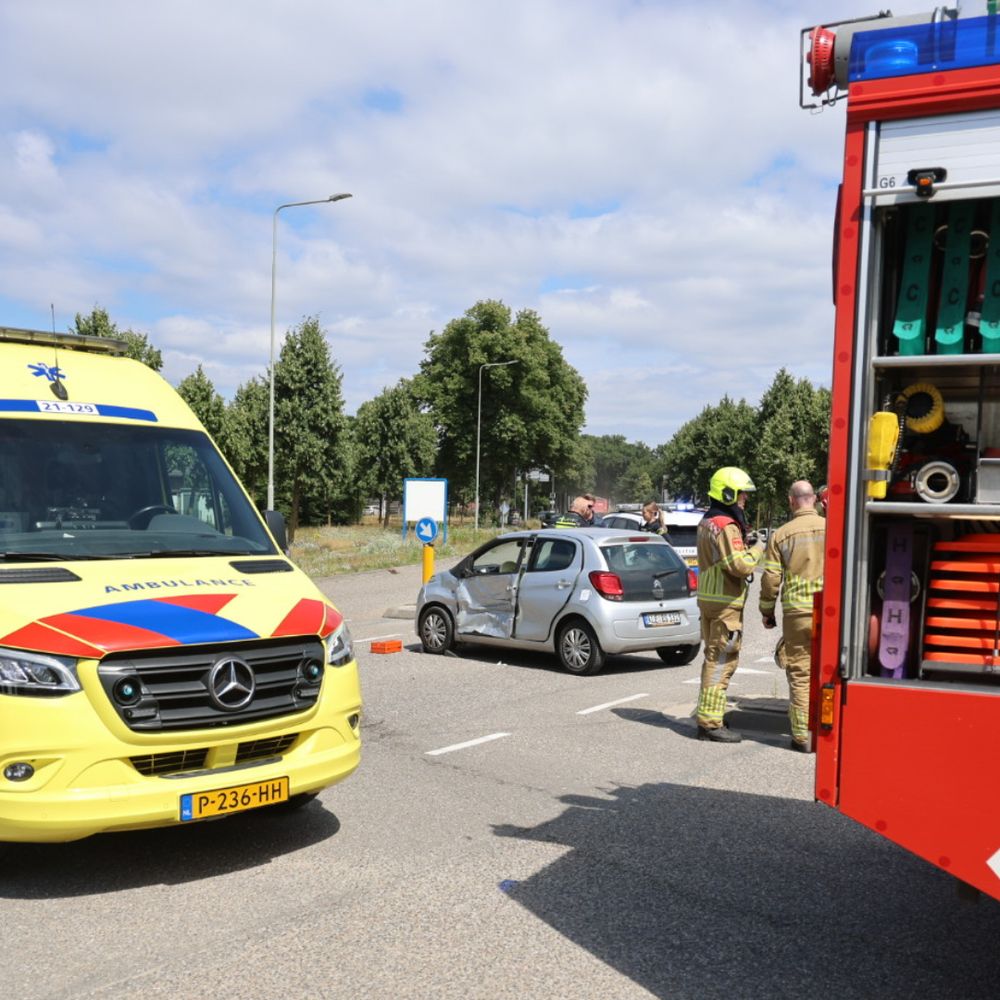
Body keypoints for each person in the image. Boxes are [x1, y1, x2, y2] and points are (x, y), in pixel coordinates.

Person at [695, 466, 764, 743]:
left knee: (712, 658)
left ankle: (708, 716)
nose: (745, 499)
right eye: (741, 494)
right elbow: (740, 566)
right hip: (725, 604)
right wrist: (757, 548)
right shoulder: (727, 525)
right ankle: (710, 723)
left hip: (709, 600)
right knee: (722, 661)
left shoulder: (707, 521)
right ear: (727, 494)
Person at [759, 480, 826, 752]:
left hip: (797, 612)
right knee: (829, 670)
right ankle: (828, 731)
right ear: (815, 500)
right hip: (830, 611)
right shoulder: (833, 528)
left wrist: (767, 611)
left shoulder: (781, 535)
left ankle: (802, 736)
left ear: (791, 501)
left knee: (800, 672)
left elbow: (771, 578)